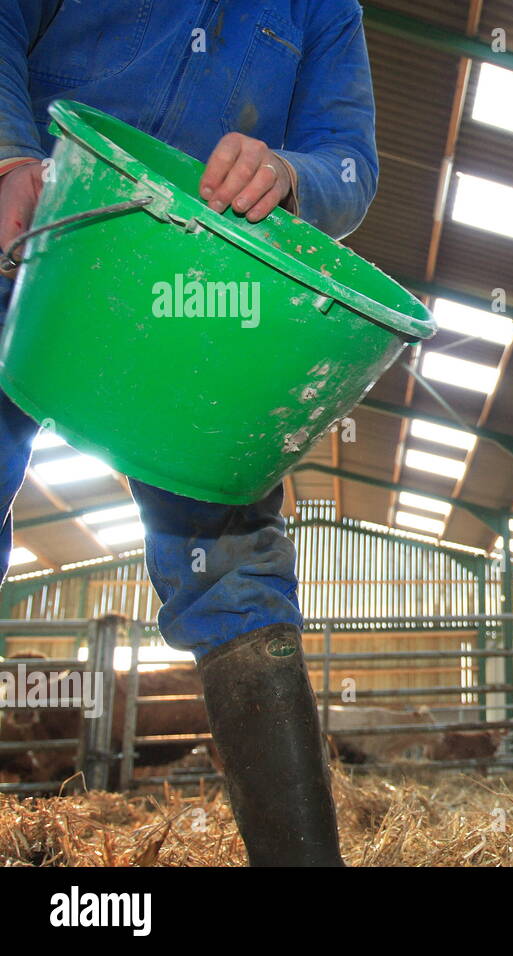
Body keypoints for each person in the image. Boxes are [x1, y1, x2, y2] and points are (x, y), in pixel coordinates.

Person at [0, 0, 382, 866]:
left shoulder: (324, 11)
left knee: (237, 562)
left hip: (195, 292)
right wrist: (9, 153)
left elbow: (350, 162)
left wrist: (289, 173)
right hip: (35, 231)